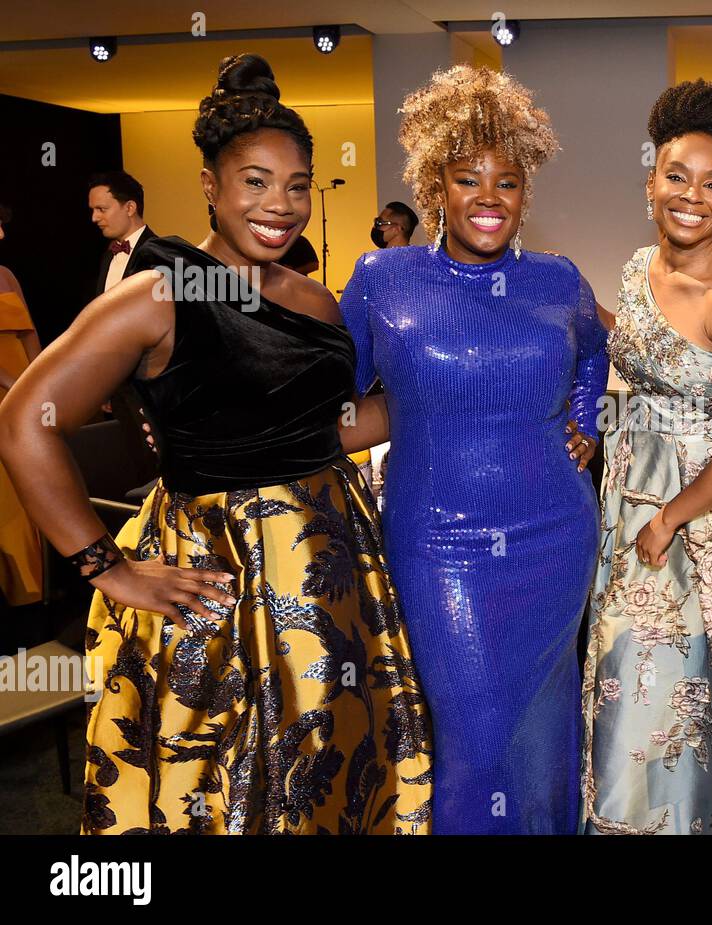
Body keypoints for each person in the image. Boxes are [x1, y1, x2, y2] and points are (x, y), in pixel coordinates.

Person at [0, 53, 434, 834]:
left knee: (331, 773)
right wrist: (109, 568)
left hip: (332, 568)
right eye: (256, 182)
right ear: (209, 185)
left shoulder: (313, 300)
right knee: (223, 788)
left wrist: (452, 389)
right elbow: (23, 420)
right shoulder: (158, 294)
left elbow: (330, 429)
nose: (282, 204)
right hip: (220, 574)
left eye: (298, 183)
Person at [338, 64, 608, 835]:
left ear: (526, 194)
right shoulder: (383, 279)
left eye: (508, 182)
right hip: (437, 545)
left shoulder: (557, 280)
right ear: (435, 185)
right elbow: (337, 391)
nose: (489, 197)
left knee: (539, 729)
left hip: (554, 537)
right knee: (472, 739)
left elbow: (592, 353)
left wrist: (584, 420)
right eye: (467, 179)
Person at [581, 80, 712, 836]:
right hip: (633, 491)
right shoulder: (639, 268)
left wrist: (669, 517)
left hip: (706, 516)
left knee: (686, 685)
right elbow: (630, 348)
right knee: (626, 677)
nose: (691, 196)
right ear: (650, 180)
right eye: (676, 176)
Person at [0, 202, 44, 607]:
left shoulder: (6, 275)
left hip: (22, 395)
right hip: (4, 397)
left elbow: (29, 333)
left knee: (26, 485)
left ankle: (31, 594)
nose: (1, 235)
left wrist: (39, 380)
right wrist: (14, 386)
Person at [89, 171, 156, 295]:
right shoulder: (107, 257)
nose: (94, 218)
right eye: (93, 210)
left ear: (130, 208)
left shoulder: (158, 254)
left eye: (101, 209)